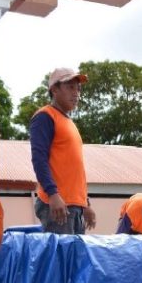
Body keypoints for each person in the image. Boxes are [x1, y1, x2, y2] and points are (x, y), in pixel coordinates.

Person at [30, 67, 96, 234]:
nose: (76, 94)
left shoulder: (69, 122)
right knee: (61, 258)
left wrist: (85, 203)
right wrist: (53, 195)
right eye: (70, 87)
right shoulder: (45, 117)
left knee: (75, 259)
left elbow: (74, 169)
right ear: (54, 89)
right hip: (58, 205)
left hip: (74, 206)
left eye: (78, 89)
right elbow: (39, 160)